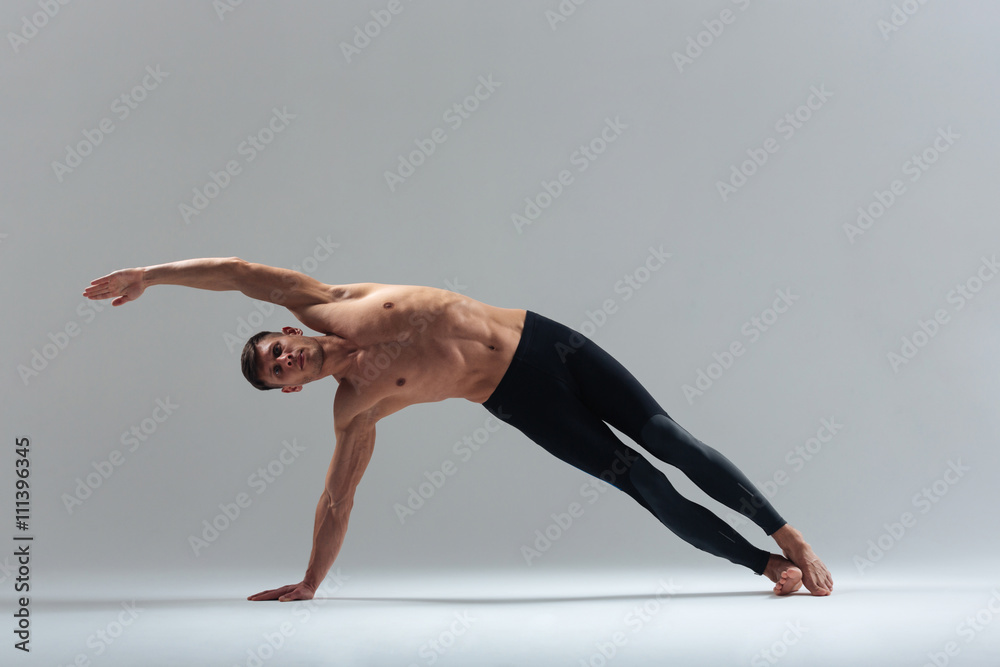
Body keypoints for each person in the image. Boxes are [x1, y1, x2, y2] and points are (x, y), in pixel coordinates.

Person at [83, 256, 833, 600]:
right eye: (282, 369)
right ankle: (761, 566)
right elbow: (338, 496)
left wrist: (152, 274)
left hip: (546, 340)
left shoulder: (327, 300)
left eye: (279, 348)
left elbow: (239, 271)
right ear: (294, 386)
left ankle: (786, 531)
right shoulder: (354, 406)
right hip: (515, 398)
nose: (289, 357)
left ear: (287, 329)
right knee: (640, 481)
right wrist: (312, 580)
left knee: (669, 437)